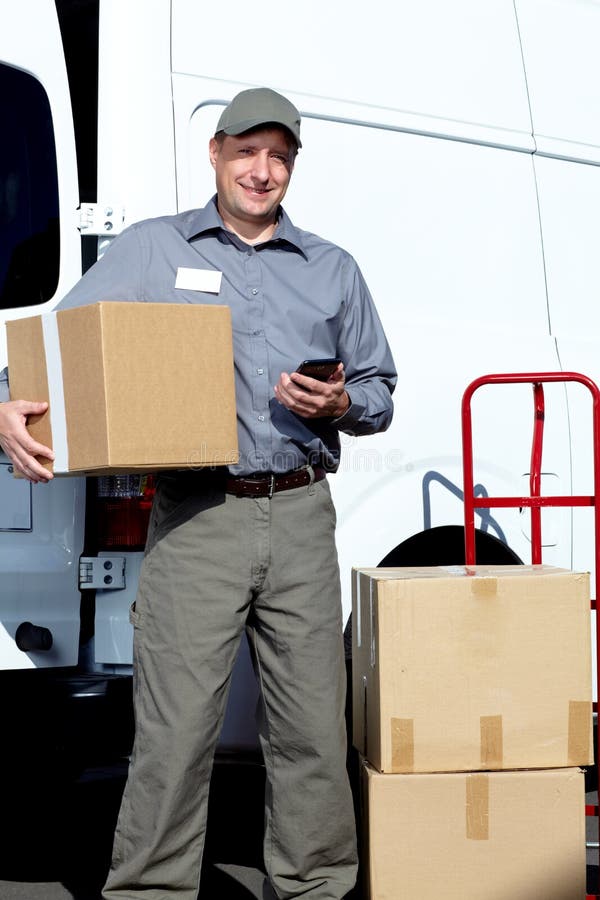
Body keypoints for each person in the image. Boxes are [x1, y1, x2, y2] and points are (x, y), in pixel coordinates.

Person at [0, 87, 396, 899]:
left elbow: (381, 389)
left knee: (314, 731)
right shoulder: (151, 251)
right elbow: (56, 351)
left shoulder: (333, 268)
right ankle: (150, 891)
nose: (262, 170)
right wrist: (7, 404)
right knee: (176, 731)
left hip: (298, 513)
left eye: (278, 155)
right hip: (196, 519)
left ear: (292, 166)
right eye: (246, 151)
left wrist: (343, 403)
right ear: (213, 154)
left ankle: (315, 887)